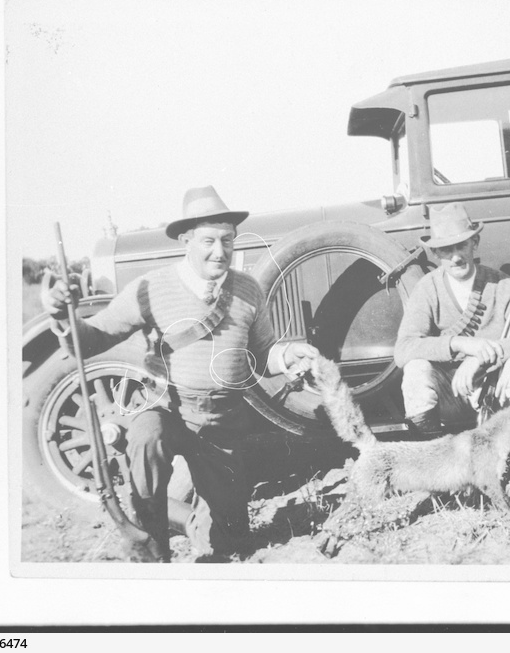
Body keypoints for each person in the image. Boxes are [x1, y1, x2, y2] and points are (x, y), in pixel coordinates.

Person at [42, 185, 317, 562]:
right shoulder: (150, 289)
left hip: (223, 421)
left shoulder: (249, 290)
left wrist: (288, 356)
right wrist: (62, 314)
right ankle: (152, 553)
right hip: (166, 408)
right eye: (208, 240)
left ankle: (199, 523)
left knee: (231, 541)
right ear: (186, 240)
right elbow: (88, 341)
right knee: (146, 437)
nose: (219, 252)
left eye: (227, 240)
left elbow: (262, 357)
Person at [393, 202, 510, 439]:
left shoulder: (503, 285)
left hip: (496, 392)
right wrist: (459, 344)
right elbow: (403, 349)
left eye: (461, 245)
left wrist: (478, 358)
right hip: (450, 393)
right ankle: (435, 466)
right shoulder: (428, 288)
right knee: (415, 370)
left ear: (474, 243)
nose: (455, 257)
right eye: (445, 249)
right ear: (435, 253)